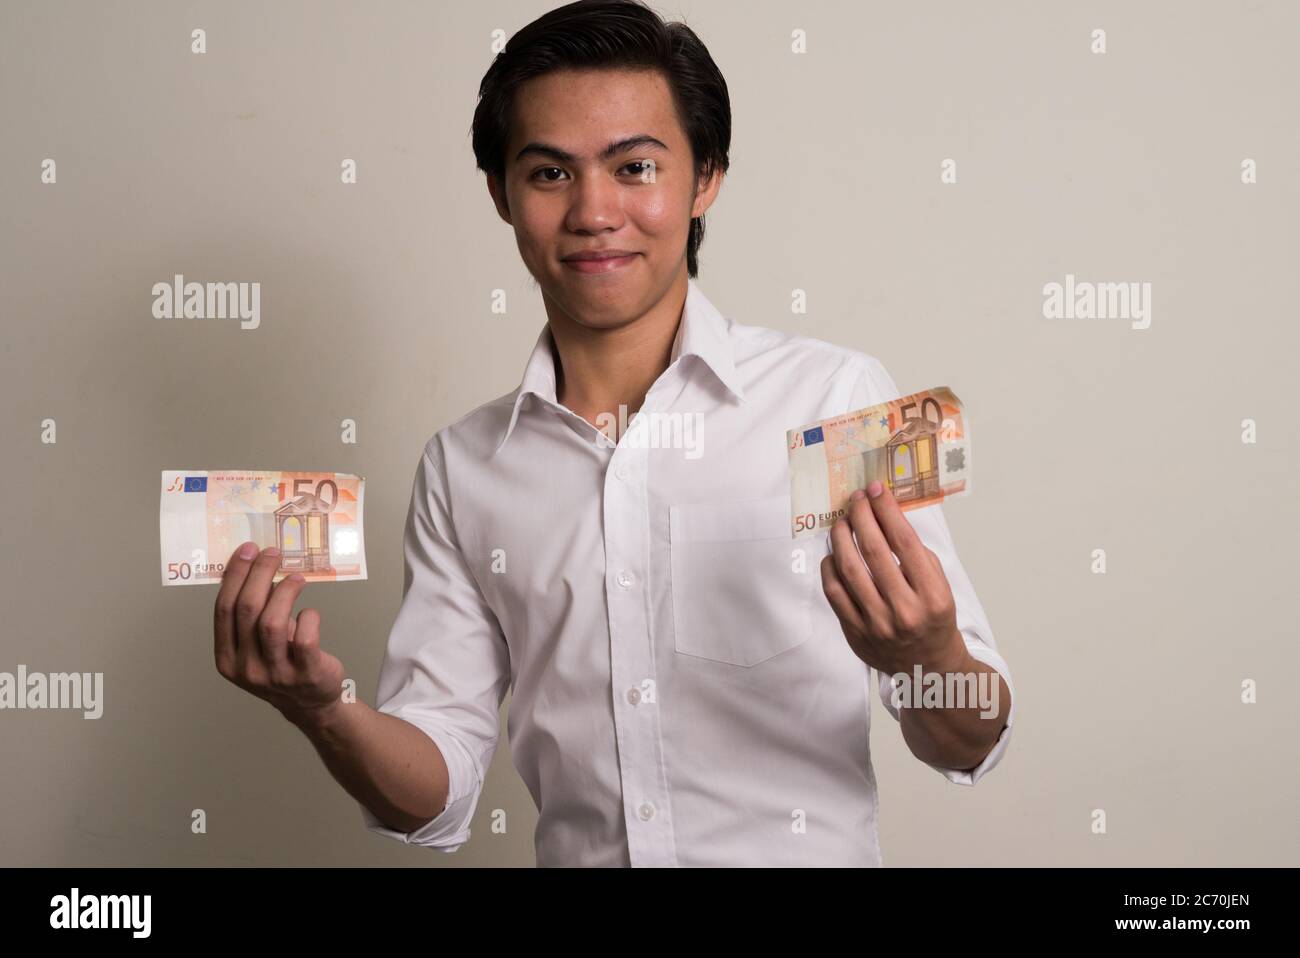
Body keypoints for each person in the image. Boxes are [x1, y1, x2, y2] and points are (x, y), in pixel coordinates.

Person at [212, 0, 1014, 867]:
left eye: (635, 167)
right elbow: (436, 790)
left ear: (705, 176)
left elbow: (967, 741)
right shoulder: (463, 468)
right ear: (501, 194)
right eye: (550, 174)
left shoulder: (837, 400)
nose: (594, 211)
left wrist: (927, 653)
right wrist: (324, 713)